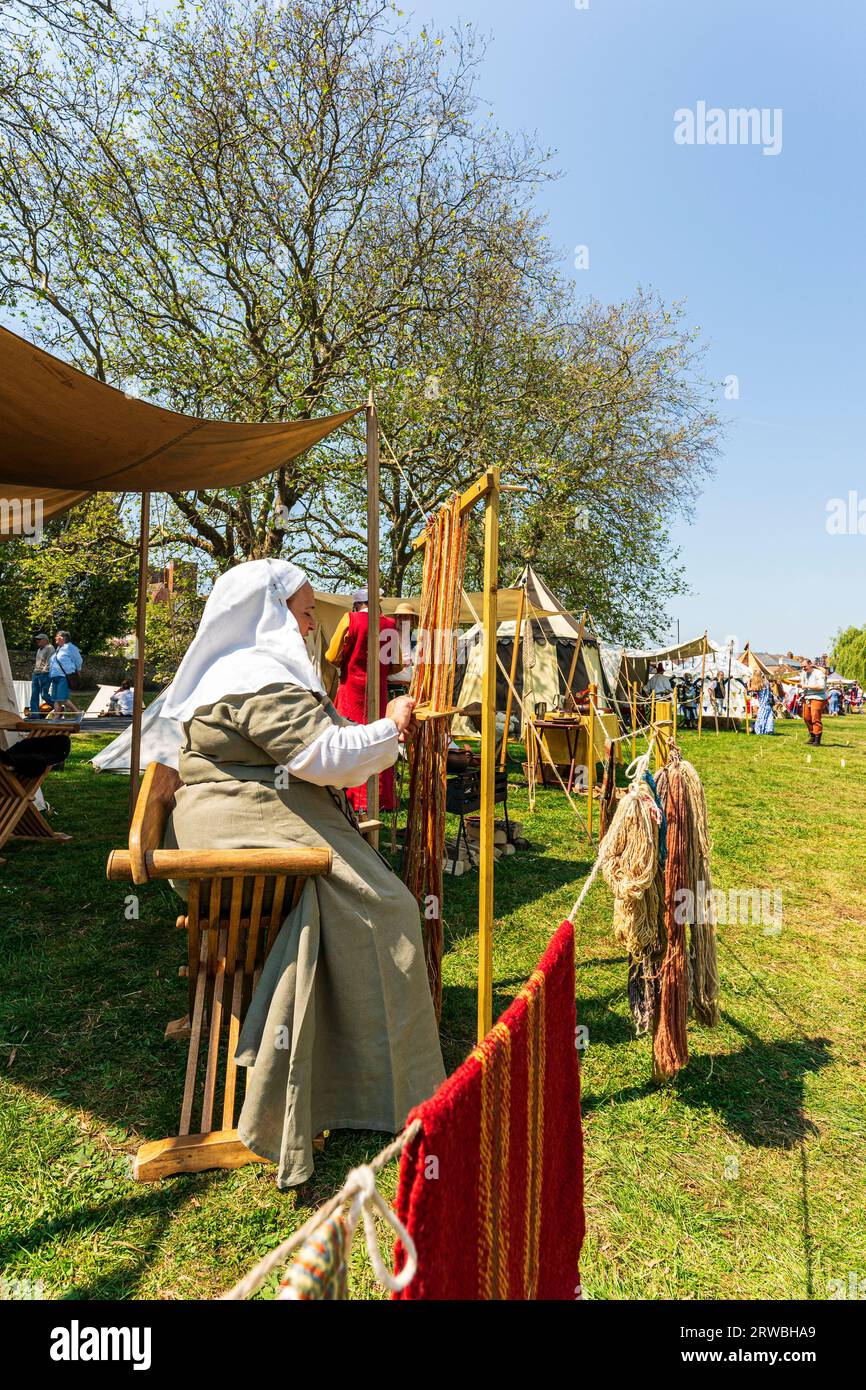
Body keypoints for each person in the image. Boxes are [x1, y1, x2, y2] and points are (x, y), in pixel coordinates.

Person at [161, 559, 445, 1189]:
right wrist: (394, 728)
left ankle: (337, 1059)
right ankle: (372, 1086)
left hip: (244, 825)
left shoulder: (247, 673)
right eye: (306, 609)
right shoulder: (255, 677)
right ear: (271, 611)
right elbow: (323, 758)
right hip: (241, 843)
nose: (315, 621)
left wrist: (381, 727)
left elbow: (329, 736)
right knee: (388, 907)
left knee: (364, 897)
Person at [324, 587, 401, 815]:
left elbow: (331, 656)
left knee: (350, 737)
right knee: (377, 735)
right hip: (378, 690)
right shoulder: (390, 624)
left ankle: (351, 796)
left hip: (352, 692)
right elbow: (396, 664)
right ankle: (379, 798)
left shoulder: (350, 619)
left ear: (357, 605)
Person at [48, 630, 83, 719]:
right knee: (56, 699)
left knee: (62, 698)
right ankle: (56, 717)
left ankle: (78, 712)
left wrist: (78, 671)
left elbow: (78, 660)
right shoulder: (59, 648)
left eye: (57, 636)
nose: (55, 637)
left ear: (63, 638)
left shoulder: (70, 647)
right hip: (55, 676)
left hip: (63, 676)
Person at [800, 658, 827, 745]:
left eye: (805, 666)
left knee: (815, 718)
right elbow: (803, 684)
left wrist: (806, 686)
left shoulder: (818, 673)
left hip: (818, 697)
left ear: (810, 664)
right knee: (806, 718)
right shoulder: (803, 673)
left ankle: (817, 739)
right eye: (802, 667)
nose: (803, 668)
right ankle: (812, 736)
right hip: (807, 697)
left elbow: (821, 686)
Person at [29, 633, 54, 719]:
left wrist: (44, 672)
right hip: (36, 674)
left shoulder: (50, 648)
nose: (37, 641)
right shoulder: (39, 649)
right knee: (34, 695)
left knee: (44, 694)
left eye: (39, 639)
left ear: (45, 640)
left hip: (45, 674)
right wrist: (35, 672)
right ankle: (34, 714)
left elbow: (50, 662)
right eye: (37, 639)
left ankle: (58, 707)